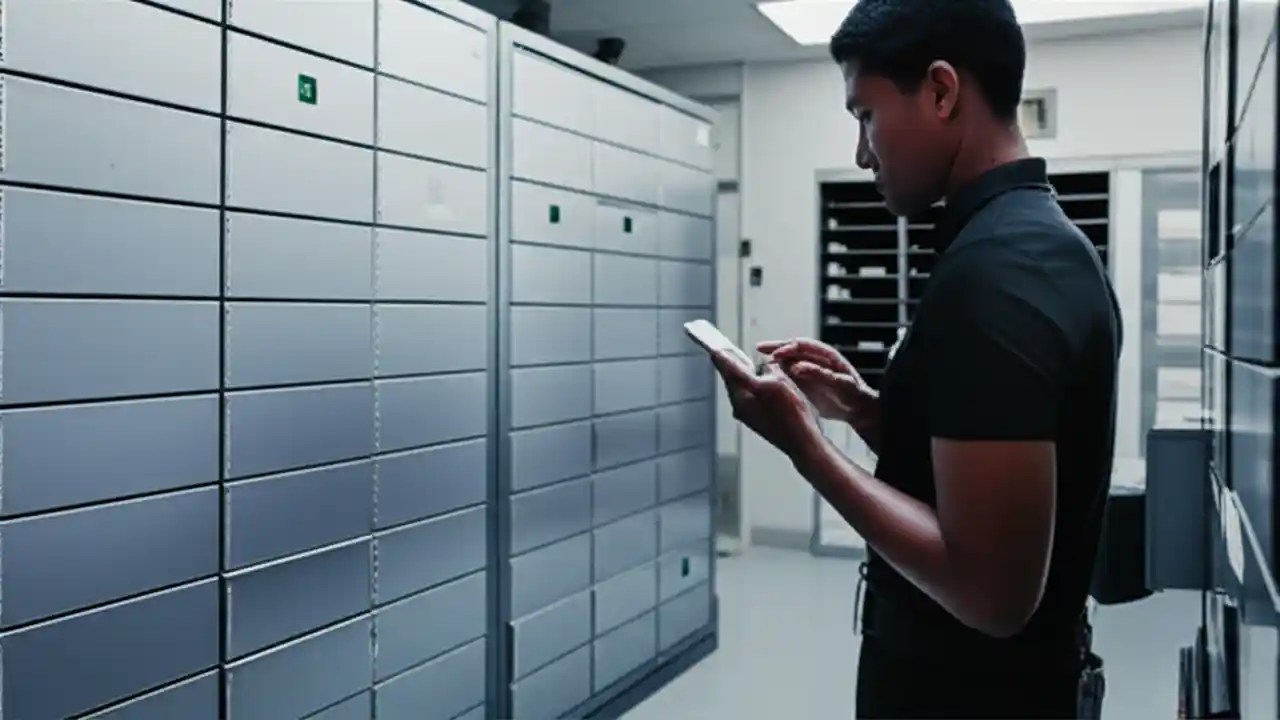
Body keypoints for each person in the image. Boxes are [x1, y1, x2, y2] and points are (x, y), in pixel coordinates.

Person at [708, 1, 1122, 718]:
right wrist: (869, 412)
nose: (862, 152)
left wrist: (804, 445)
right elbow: (977, 467)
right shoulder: (1024, 243)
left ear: (940, 91)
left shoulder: (1001, 271)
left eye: (865, 115)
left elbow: (991, 593)